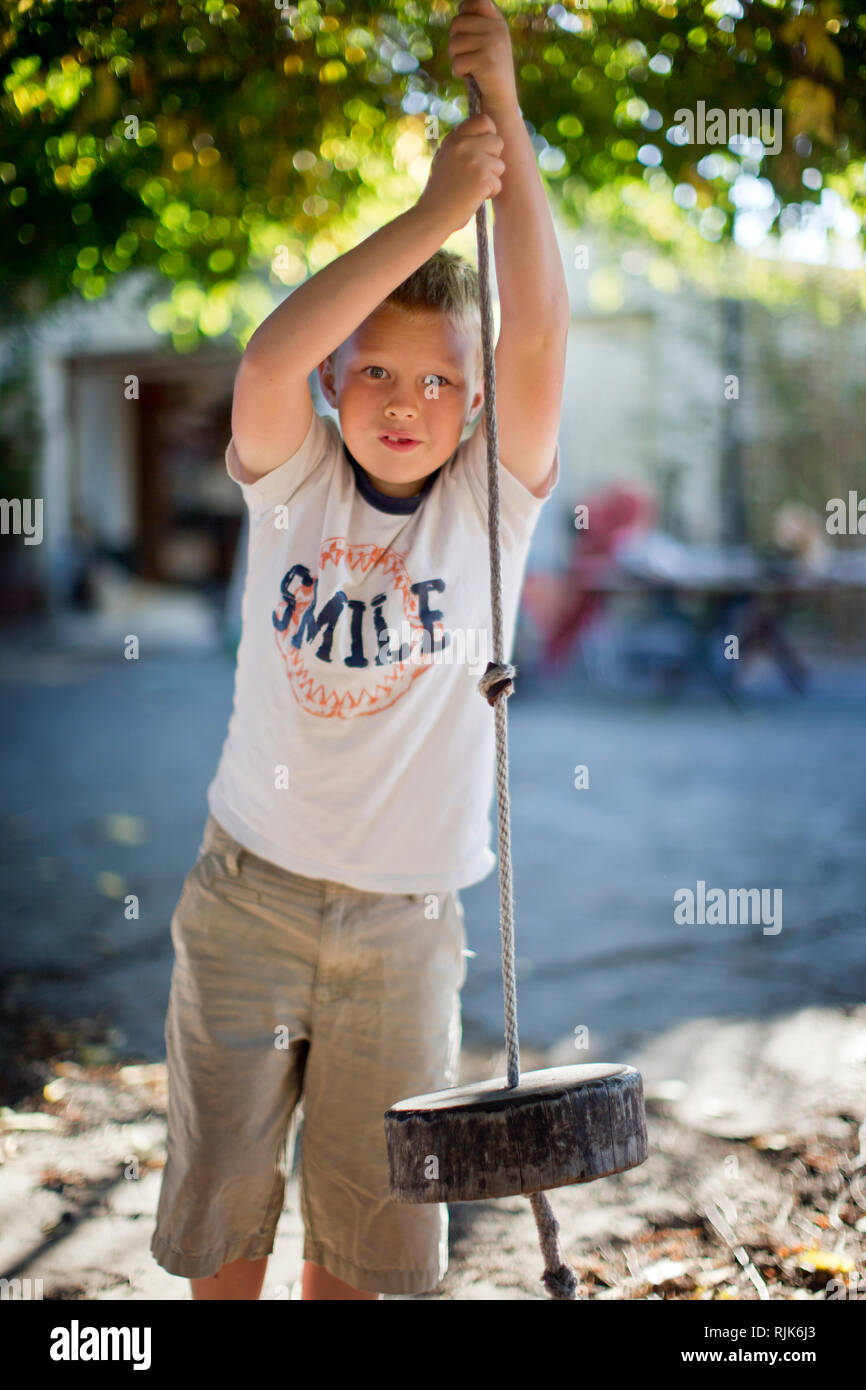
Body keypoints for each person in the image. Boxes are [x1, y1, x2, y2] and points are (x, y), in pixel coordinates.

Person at [150, 0, 567, 1301]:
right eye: (377, 374)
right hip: (247, 896)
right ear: (341, 387)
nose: (405, 400)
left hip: (404, 922)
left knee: (360, 1247)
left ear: (474, 401)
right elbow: (274, 350)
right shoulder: (294, 476)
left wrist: (502, 108)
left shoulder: (489, 506)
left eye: (439, 379)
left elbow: (537, 329)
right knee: (224, 1231)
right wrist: (436, 213)